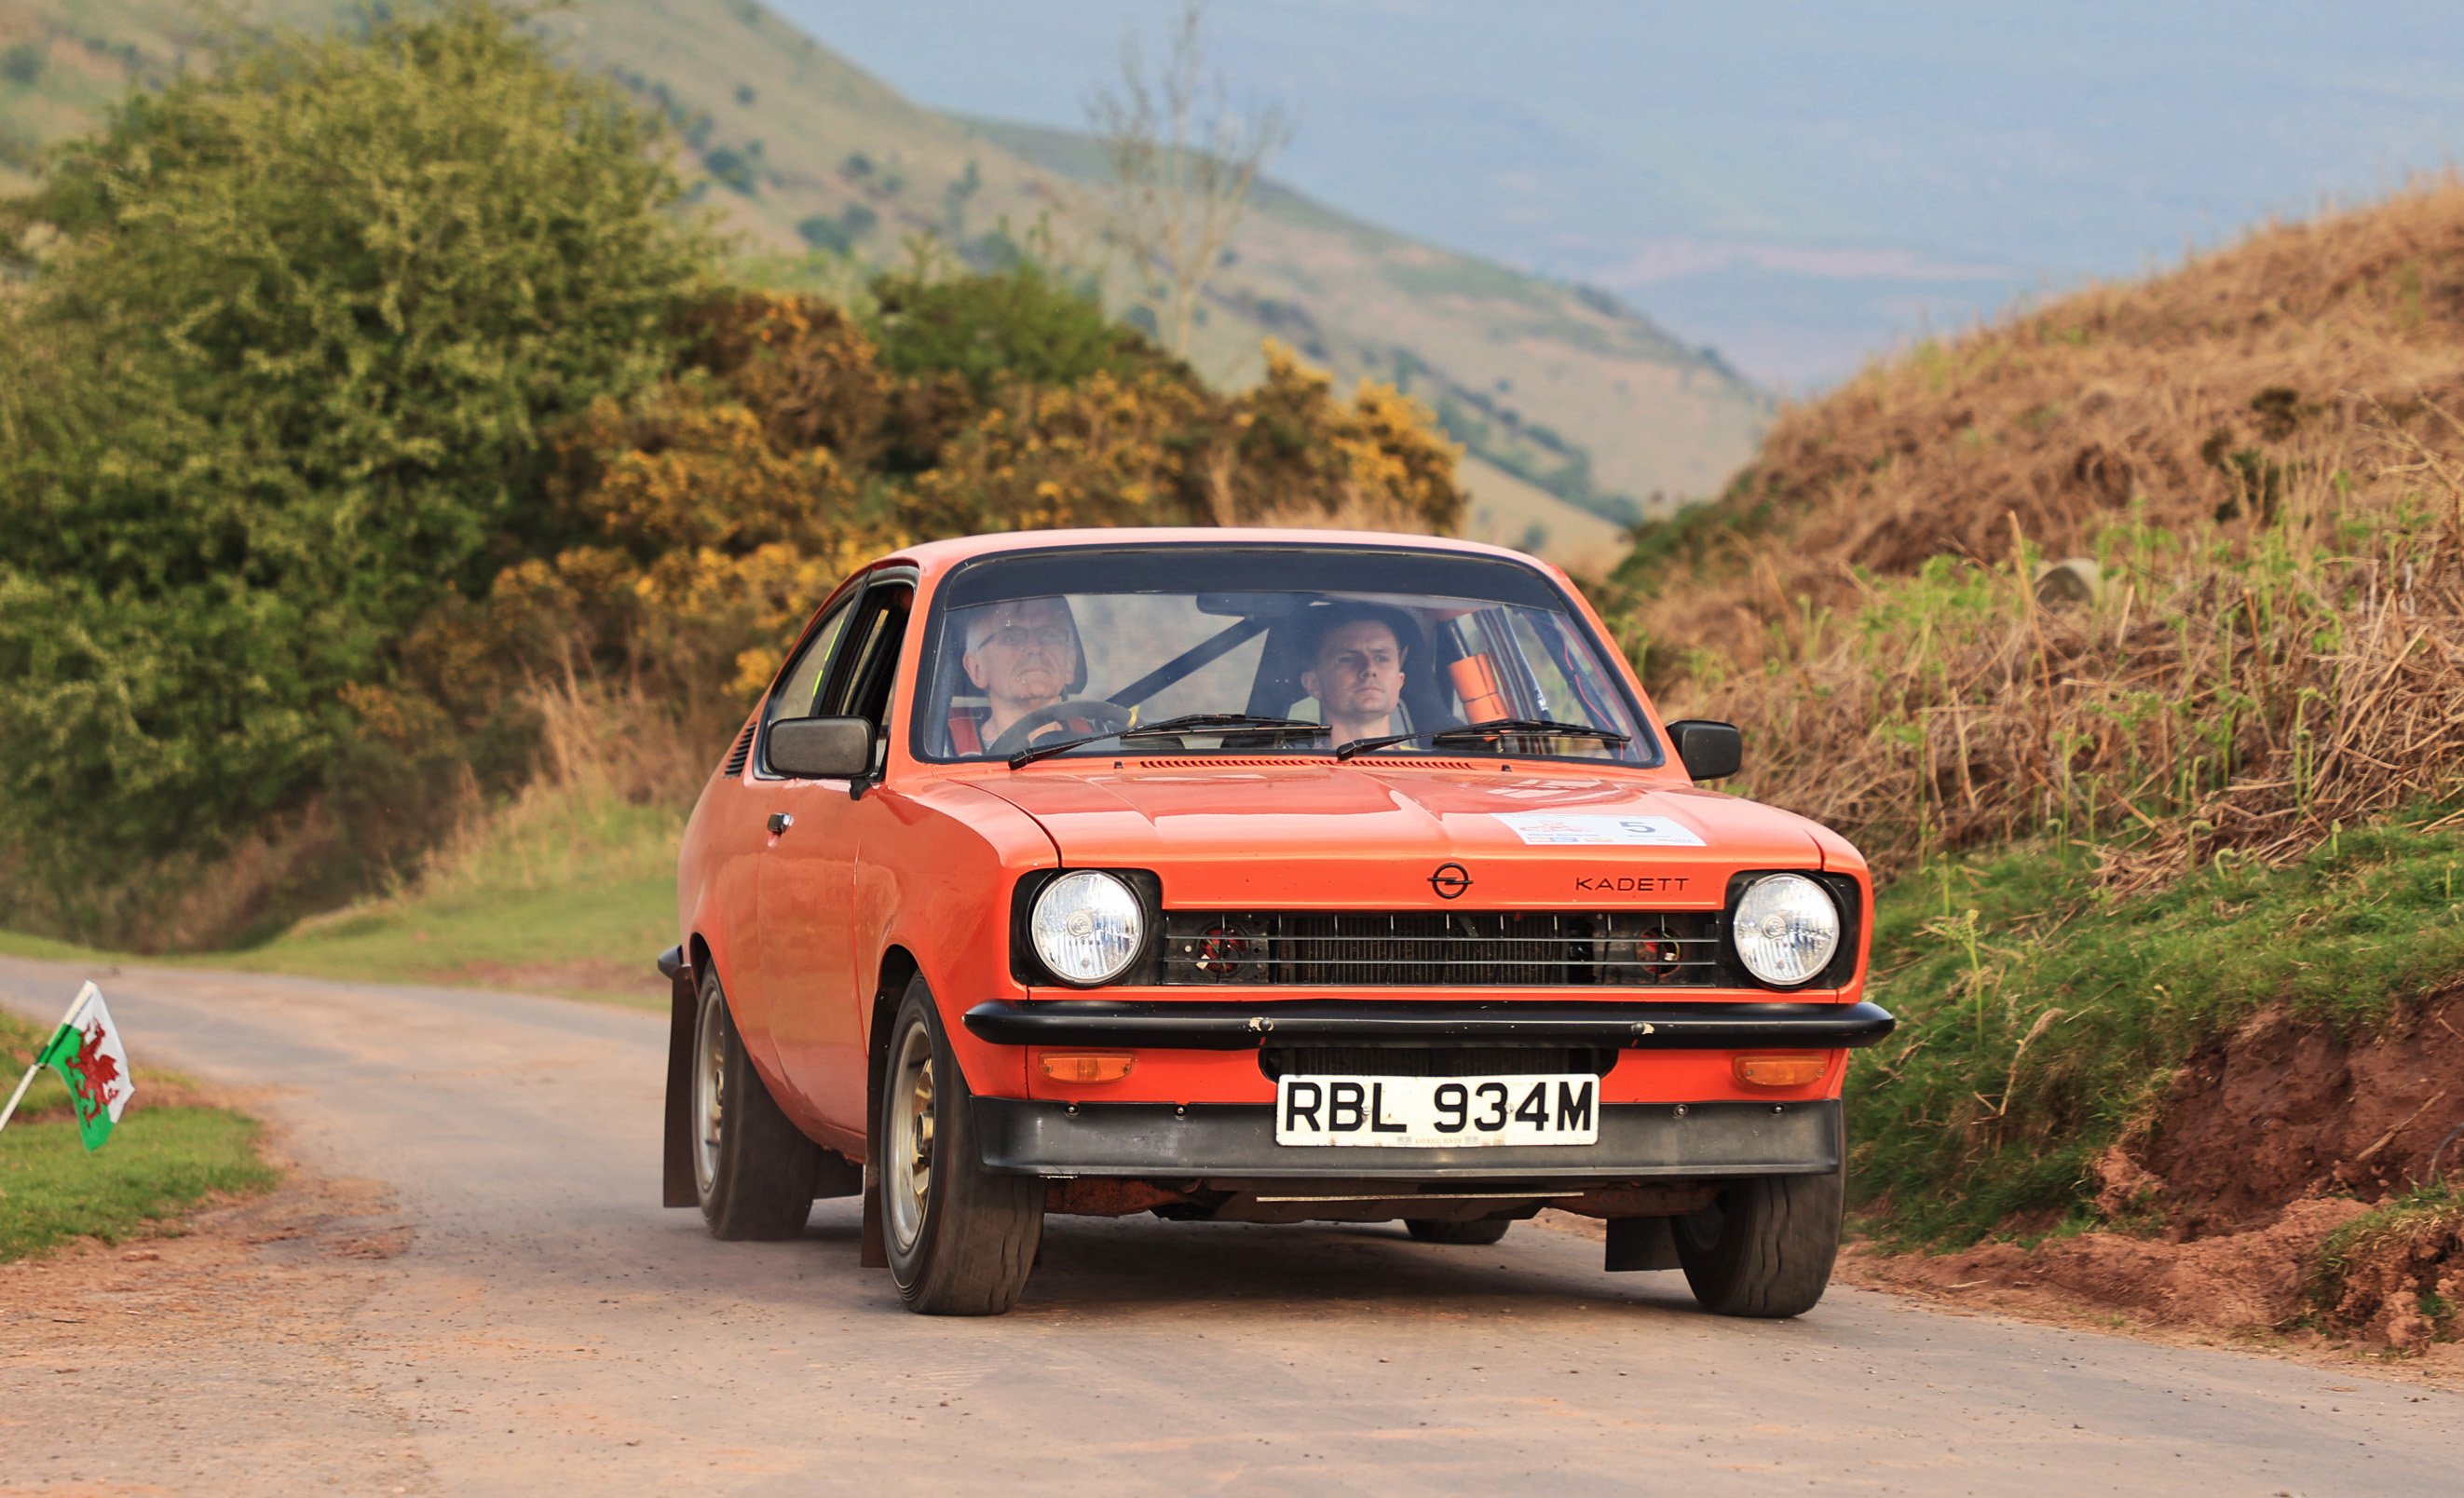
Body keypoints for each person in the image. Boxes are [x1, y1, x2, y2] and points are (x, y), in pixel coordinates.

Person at [955, 596, 1082, 748]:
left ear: (1070, 663)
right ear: (976, 669)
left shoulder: (1108, 737)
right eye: (1011, 638)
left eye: (1050, 635)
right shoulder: (941, 754)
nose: (1034, 647)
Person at [1300, 604, 1410, 745]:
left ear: (1399, 681)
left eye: (1382, 658)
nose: (1370, 668)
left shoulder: (1432, 765)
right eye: (1348, 659)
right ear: (1313, 683)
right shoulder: (1287, 766)